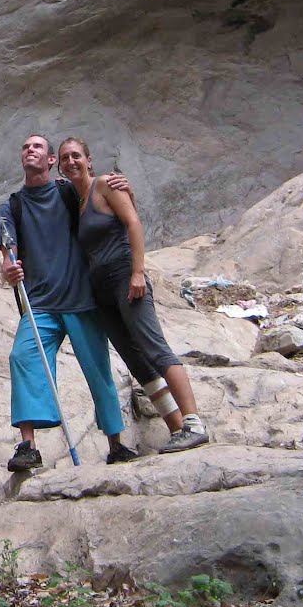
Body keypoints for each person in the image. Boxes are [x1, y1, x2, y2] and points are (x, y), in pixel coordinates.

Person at [0, 135, 140, 471]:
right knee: (23, 356)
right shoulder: (11, 206)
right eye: (25, 147)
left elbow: (105, 204)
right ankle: (28, 446)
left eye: (37, 148)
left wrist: (124, 189)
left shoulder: (68, 192)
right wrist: (9, 268)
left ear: (50, 162)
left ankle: (115, 444)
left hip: (80, 298)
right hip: (41, 304)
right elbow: (7, 254)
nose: (30, 150)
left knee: (97, 369)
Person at [56, 136, 211, 452]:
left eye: (75, 156)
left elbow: (133, 222)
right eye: (64, 158)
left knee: (154, 347)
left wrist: (138, 272)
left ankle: (194, 422)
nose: (71, 162)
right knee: (137, 362)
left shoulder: (105, 185)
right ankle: (177, 428)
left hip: (125, 276)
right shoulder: (79, 201)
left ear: (89, 160)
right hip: (102, 294)